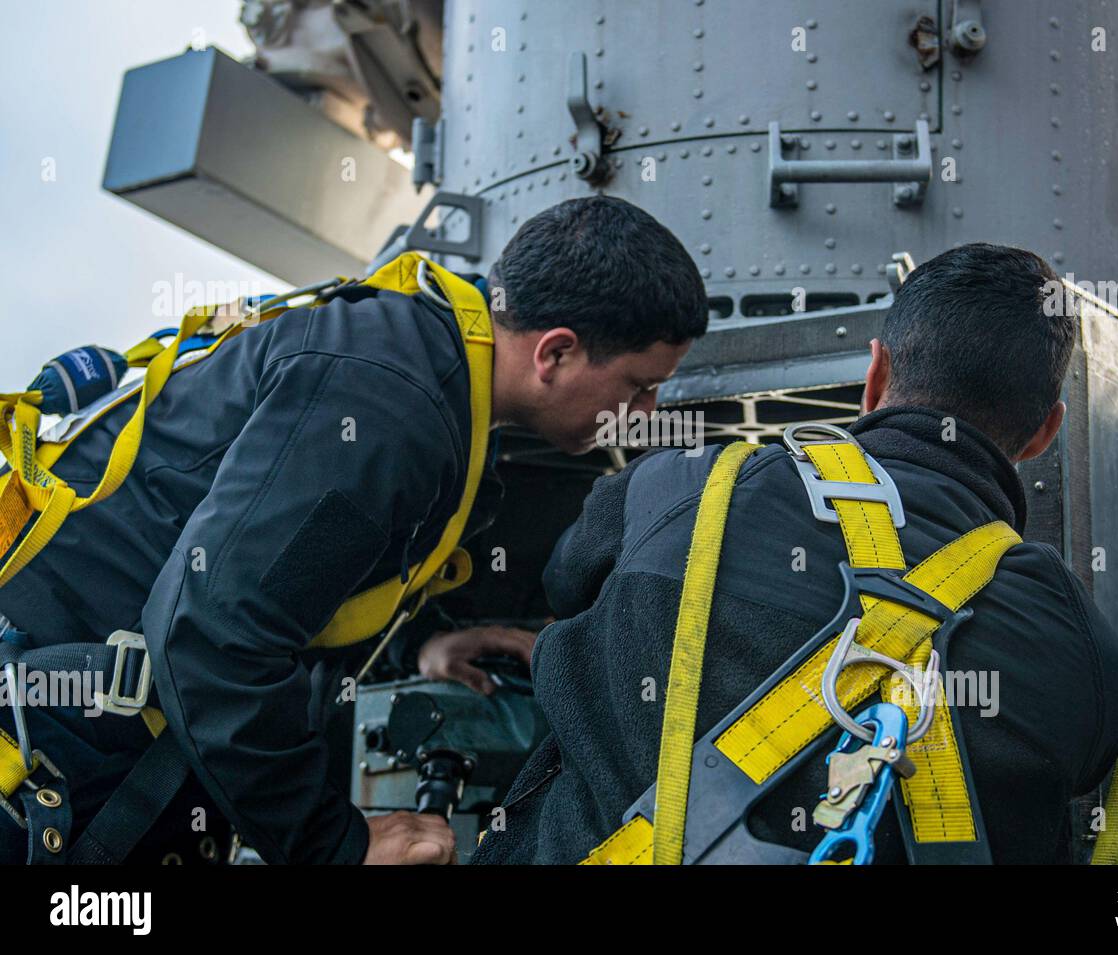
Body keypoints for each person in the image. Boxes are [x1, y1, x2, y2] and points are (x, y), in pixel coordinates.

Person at [0, 195, 707, 864]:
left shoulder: (424, 354)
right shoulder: (389, 404)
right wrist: (338, 843)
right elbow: (211, 637)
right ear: (555, 353)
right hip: (47, 751)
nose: (644, 412)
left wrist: (419, 642)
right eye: (638, 385)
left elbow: (293, 575)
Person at [473, 242, 1118, 865]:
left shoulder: (681, 487)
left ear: (875, 373)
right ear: (1044, 430)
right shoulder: (1085, 649)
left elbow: (568, 586)